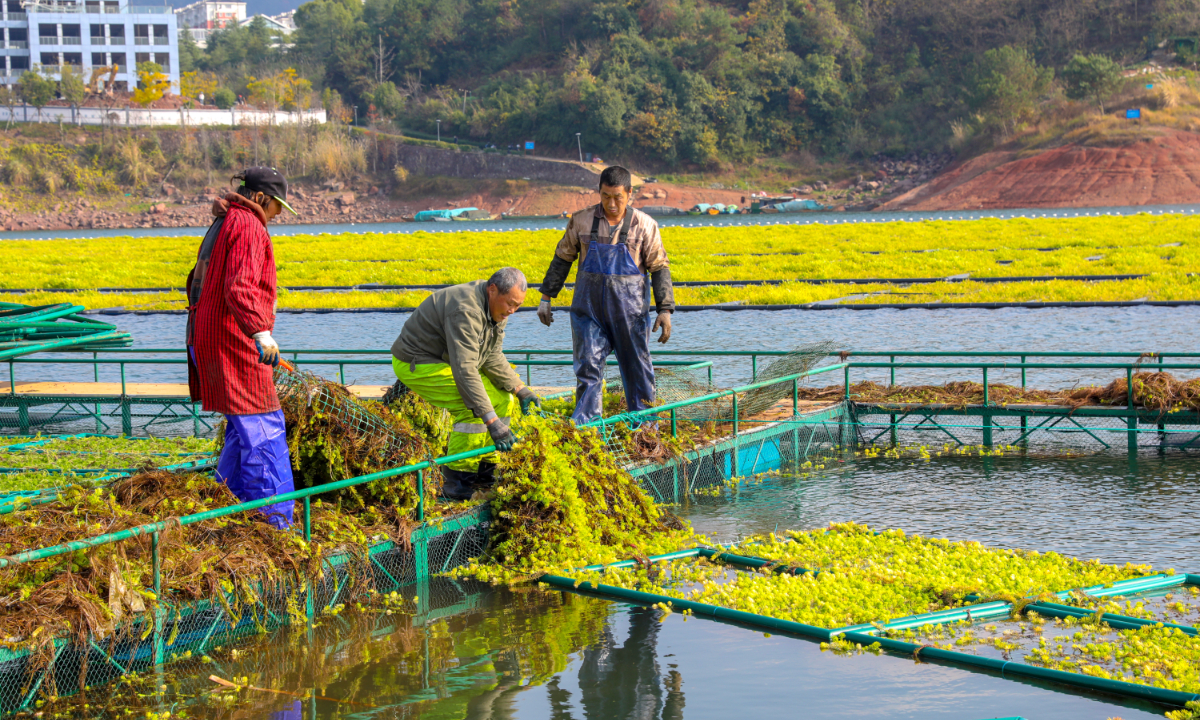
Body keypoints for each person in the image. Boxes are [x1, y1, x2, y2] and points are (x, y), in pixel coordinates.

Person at [185, 167, 299, 529]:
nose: (278, 215)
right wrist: (260, 332)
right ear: (262, 198)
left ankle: (227, 507)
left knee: (240, 430)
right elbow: (240, 287)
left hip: (207, 339)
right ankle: (275, 523)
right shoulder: (249, 225)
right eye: (277, 206)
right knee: (264, 427)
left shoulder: (225, 221)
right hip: (232, 344)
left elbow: (195, 282)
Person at [536, 166, 675, 424]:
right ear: (599, 192)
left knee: (637, 369)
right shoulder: (581, 220)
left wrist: (665, 310)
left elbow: (659, 268)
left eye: (618, 197)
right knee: (588, 367)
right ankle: (588, 428)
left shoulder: (645, 225)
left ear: (630, 193)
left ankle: (645, 427)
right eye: (605, 196)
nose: (611, 203)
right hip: (589, 313)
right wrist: (546, 297)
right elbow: (562, 259)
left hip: (630, 315)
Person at [390, 268, 542, 500]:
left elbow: (491, 355)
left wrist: (520, 389)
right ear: (492, 290)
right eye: (510, 303)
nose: (512, 310)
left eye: (518, 306)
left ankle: (485, 475)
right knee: (472, 410)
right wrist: (491, 421)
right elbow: (465, 369)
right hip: (418, 362)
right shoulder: (466, 310)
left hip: (449, 360)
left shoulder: (496, 311)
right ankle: (457, 486)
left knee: (503, 399)